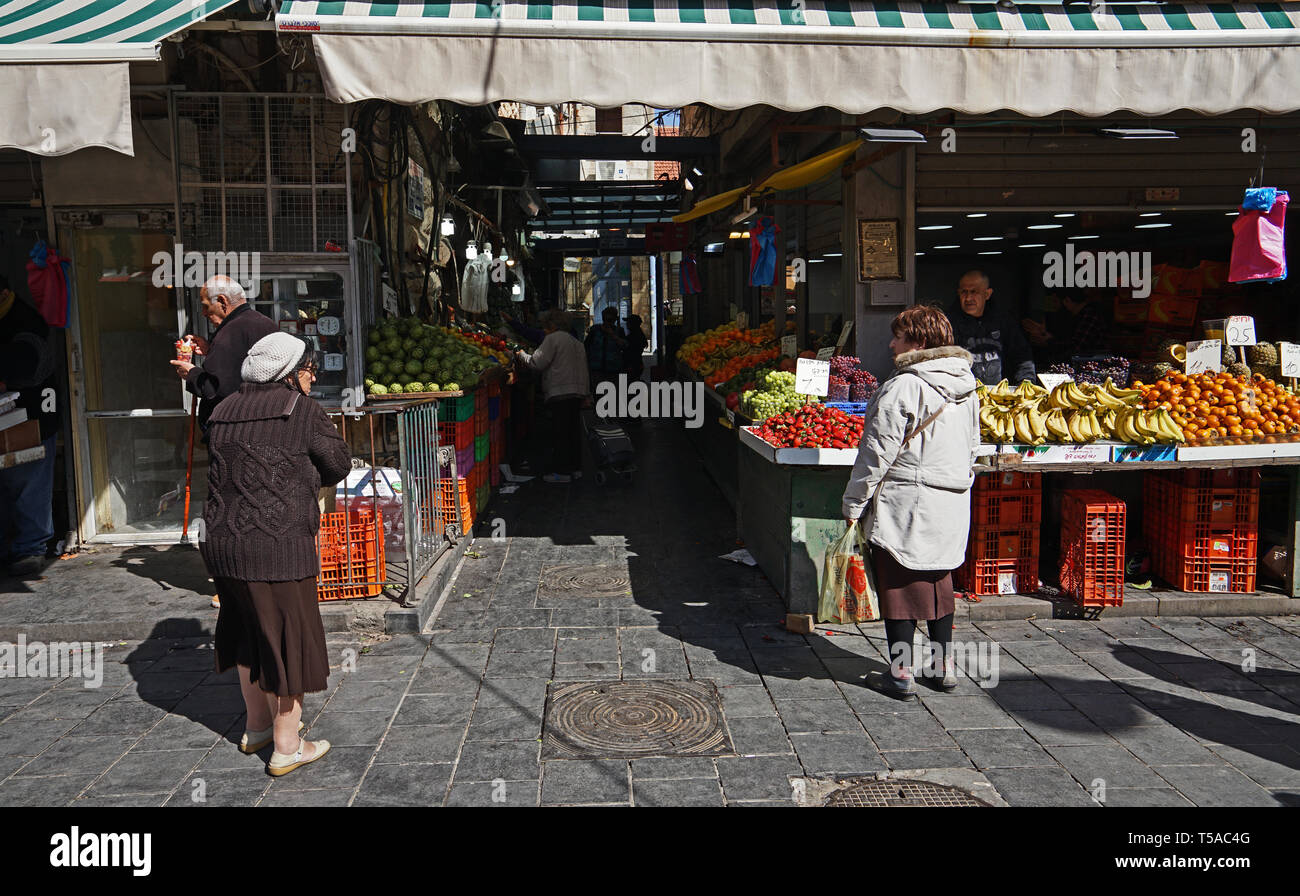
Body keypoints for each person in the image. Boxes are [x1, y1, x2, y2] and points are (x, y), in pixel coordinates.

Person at [200, 332, 350, 775]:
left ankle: (259, 726)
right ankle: (287, 747)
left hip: (223, 544)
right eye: (309, 370)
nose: (312, 377)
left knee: (248, 632)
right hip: (277, 546)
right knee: (288, 641)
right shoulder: (300, 410)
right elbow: (338, 465)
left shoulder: (223, 410)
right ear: (291, 373)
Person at [841, 305, 980, 699]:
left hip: (906, 503)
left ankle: (901, 672)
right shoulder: (968, 386)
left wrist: (854, 504)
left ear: (918, 342)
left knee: (900, 587)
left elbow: (875, 455)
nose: (890, 344)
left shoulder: (903, 386)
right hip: (950, 502)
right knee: (940, 582)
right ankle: (942, 667)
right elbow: (972, 447)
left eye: (897, 337)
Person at [0, 277, 59, 577]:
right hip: (14, 421)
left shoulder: (26, 324)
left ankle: (30, 549)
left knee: (28, 487)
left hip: (32, 421)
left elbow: (27, 367)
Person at [170, 275, 278, 436]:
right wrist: (210, 349)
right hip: (265, 423)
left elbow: (217, 389)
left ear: (222, 301)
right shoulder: (265, 323)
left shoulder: (230, 332)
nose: (204, 313)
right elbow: (240, 361)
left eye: (206, 306)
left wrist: (192, 373)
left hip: (235, 431)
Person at [516, 310, 589, 483]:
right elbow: (585, 369)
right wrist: (586, 393)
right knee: (573, 432)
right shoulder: (576, 342)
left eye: (545, 326)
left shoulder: (553, 339)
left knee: (561, 432)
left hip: (560, 392)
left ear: (552, 325)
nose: (544, 330)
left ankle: (562, 473)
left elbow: (537, 362)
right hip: (577, 392)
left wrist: (521, 355)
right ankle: (575, 468)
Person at [949, 270, 1036, 385]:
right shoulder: (948, 323)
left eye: (974, 292)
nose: (968, 298)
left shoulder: (1004, 321)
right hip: (962, 395)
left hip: (1000, 396)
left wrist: (1026, 384)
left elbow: (1022, 356)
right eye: (964, 292)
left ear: (987, 294)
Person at [1021, 291, 1108, 367]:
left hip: (1091, 365)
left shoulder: (1089, 316)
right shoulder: (1077, 316)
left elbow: (1077, 347)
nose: (1055, 307)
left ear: (1067, 301)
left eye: (1056, 302)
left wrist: (1049, 341)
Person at [585, 306, 626, 394]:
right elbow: (586, 346)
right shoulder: (595, 330)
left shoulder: (619, 331)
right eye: (607, 319)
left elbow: (624, 346)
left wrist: (613, 335)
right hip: (597, 369)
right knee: (598, 394)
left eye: (611, 320)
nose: (609, 322)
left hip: (613, 369)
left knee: (612, 394)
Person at [624, 314, 648, 383]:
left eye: (628, 322)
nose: (627, 324)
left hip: (632, 365)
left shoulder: (634, 337)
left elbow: (631, 352)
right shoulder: (639, 335)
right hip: (637, 364)